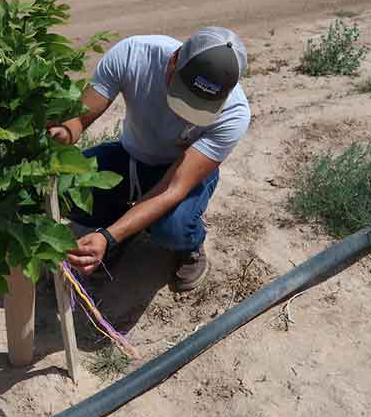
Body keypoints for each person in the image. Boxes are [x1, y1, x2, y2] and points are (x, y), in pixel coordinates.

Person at [48, 27, 250, 292]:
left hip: (183, 169)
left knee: (173, 228)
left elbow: (174, 188)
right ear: (175, 59)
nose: (185, 110)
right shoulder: (134, 54)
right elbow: (79, 119)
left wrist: (108, 237)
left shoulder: (233, 114)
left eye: (199, 103)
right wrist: (62, 132)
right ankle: (123, 223)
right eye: (183, 92)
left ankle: (190, 246)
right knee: (65, 189)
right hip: (131, 154)